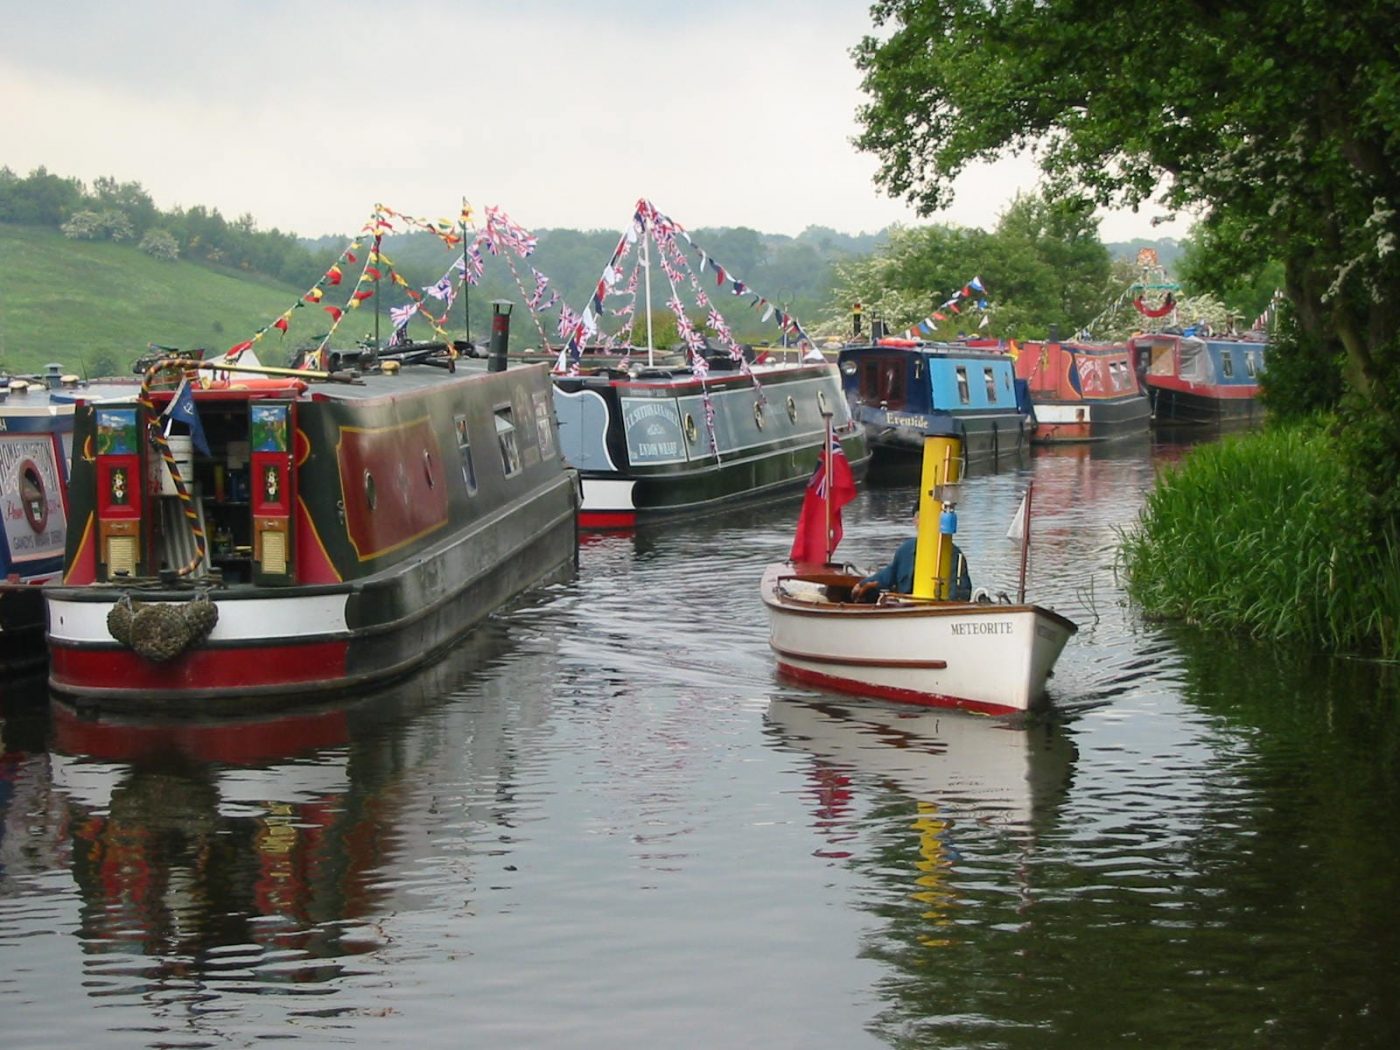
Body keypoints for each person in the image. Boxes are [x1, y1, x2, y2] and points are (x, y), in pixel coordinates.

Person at [852, 501, 973, 601]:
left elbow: (961, 593)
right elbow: (887, 576)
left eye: (929, 517)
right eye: (919, 517)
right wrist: (862, 584)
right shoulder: (905, 551)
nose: (924, 522)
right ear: (914, 521)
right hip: (903, 609)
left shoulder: (954, 555)